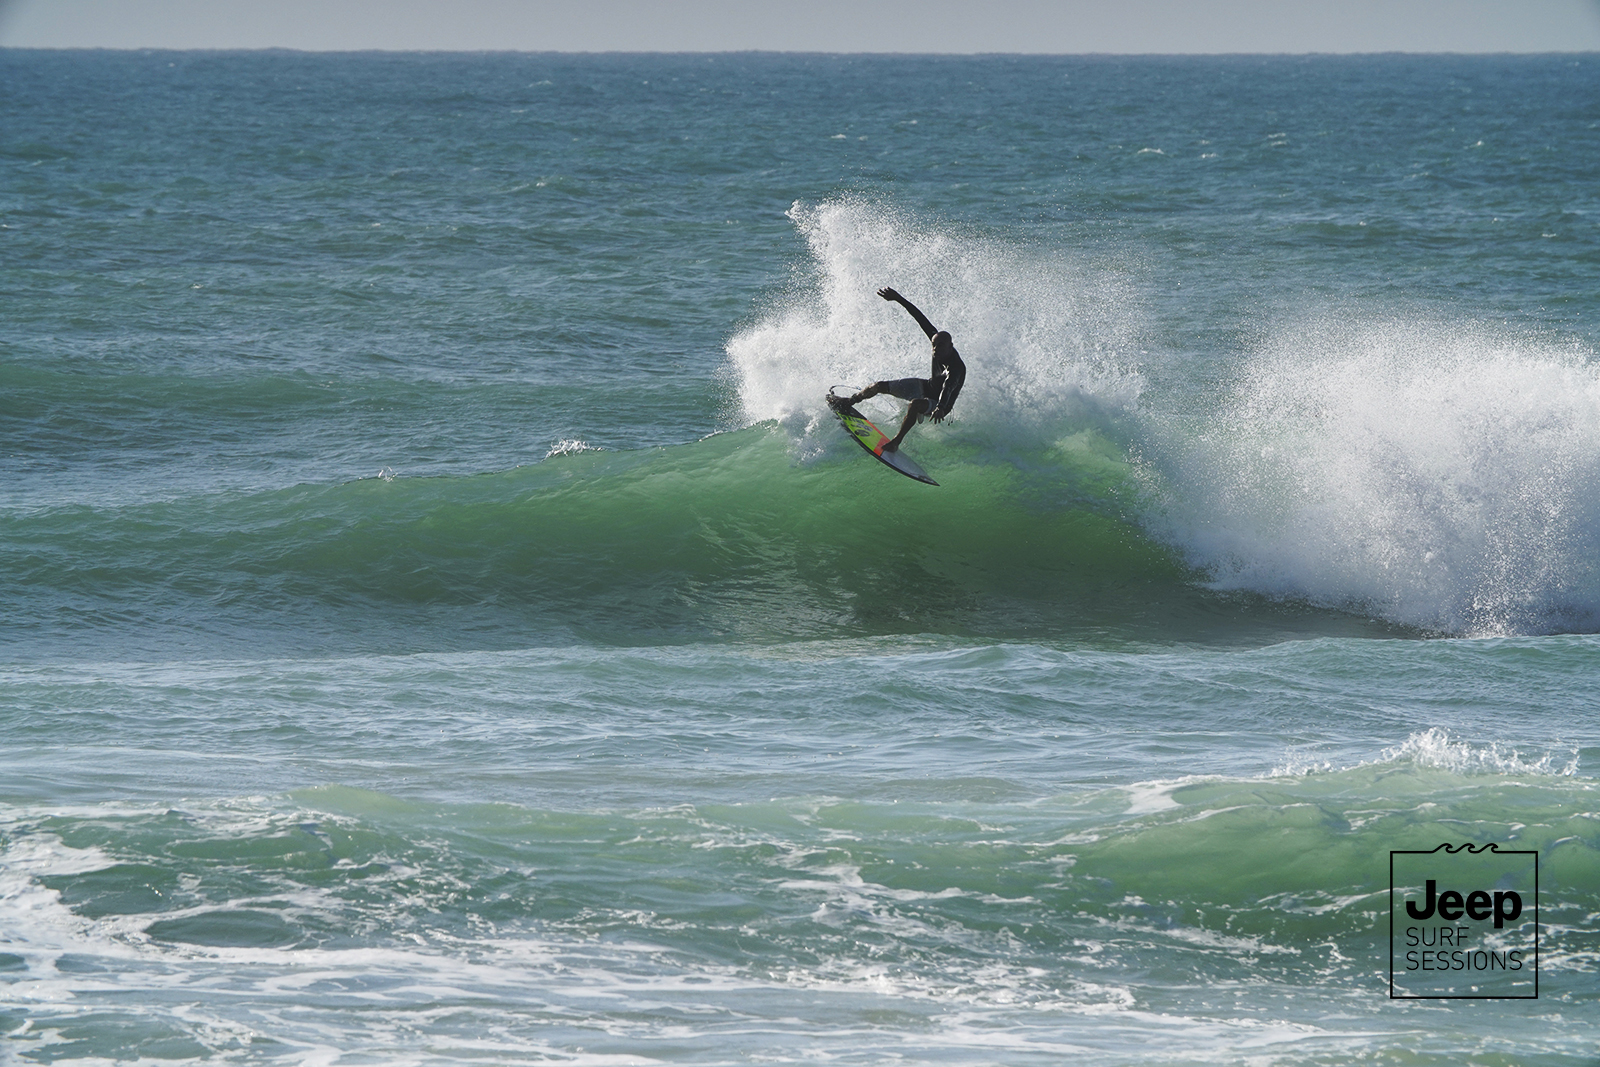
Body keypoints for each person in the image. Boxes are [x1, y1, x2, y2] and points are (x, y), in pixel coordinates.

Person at [834, 287, 967, 451]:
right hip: (927, 387)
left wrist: (940, 407)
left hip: (941, 404)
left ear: (950, 346)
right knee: (878, 386)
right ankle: (849, 401)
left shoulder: (956, 368)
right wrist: (898, 298)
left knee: (915, 405)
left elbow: (948, 388)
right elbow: (920, 317)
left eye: (940, 346)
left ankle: (896, 442)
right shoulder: (936, 341)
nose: (935, 350)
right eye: (933, 346)